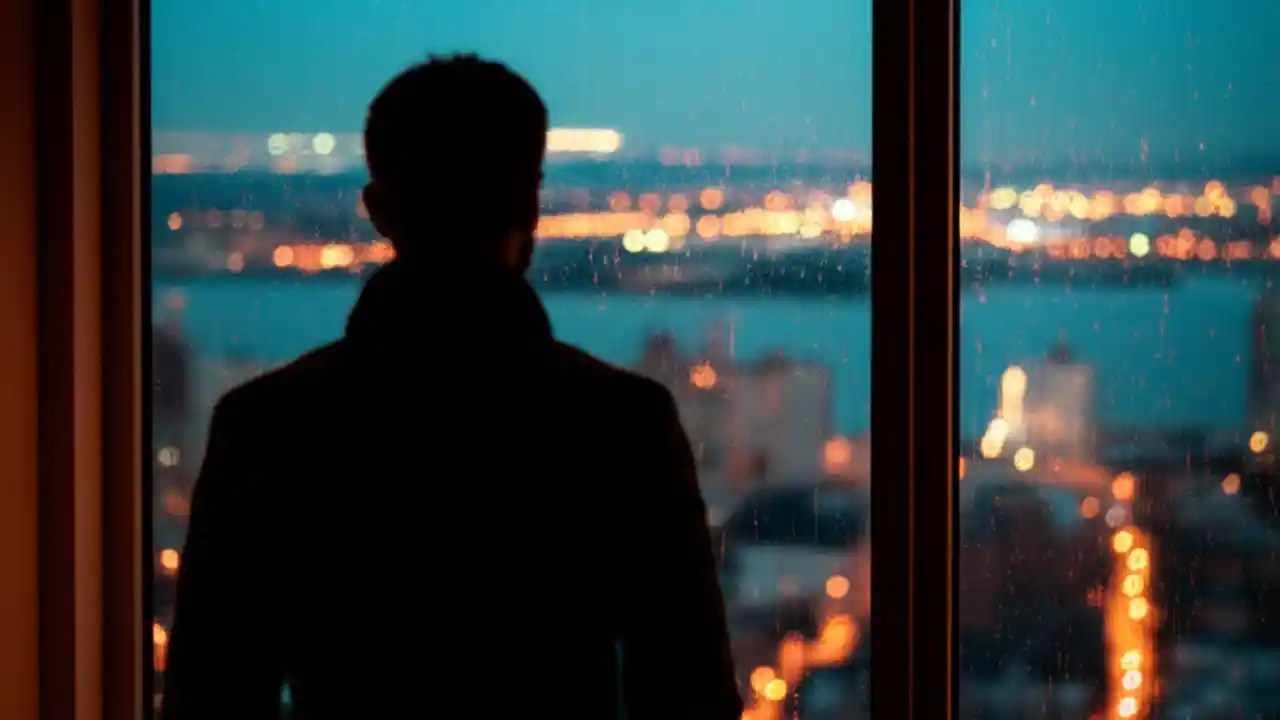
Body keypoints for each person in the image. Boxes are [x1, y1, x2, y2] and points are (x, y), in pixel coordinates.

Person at [162, 55, 742, 720]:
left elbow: (210, 700)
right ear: (530, 203)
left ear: (378, 211)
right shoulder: (621, 425)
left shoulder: (265, 426)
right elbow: (690, 694)